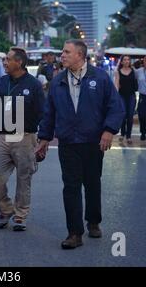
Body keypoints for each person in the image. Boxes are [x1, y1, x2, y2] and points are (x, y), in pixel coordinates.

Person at [36, 39, 124, 249]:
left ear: (80, 55)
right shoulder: (57, 81)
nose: (62, 56)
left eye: (67, 52)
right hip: (68, 142)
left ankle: (93, 221)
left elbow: (115, 107)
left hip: (93, 142)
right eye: (62, 52)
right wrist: (44, 138)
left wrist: (109, 130)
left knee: (92, 183)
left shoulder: (99, 77)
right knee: (71, 186)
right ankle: (74, 233)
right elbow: (49, 113)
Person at [0, 47, 45, 231]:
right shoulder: (3, 81)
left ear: (19, 62)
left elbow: (42, 113)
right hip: (1, 135)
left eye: (7, 59)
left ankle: (20, 215)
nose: (4, 63)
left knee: (24, 177)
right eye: (4, 59)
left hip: (24, 137)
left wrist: (42, 140)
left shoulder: (33, 85)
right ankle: (6, 209)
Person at [114, 55, 138, 144]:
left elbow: (137, 82)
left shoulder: (134, 71)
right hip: (121, 96)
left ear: (130, 61)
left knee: (130, 116)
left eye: (128, 60)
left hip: (131, 96)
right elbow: (116, 84)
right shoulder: (118, 72)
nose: (127, 61)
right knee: (123, 115)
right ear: (122, 61)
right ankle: (122, 134)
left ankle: (129, 136)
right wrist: (115, 96)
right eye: (125, 59)